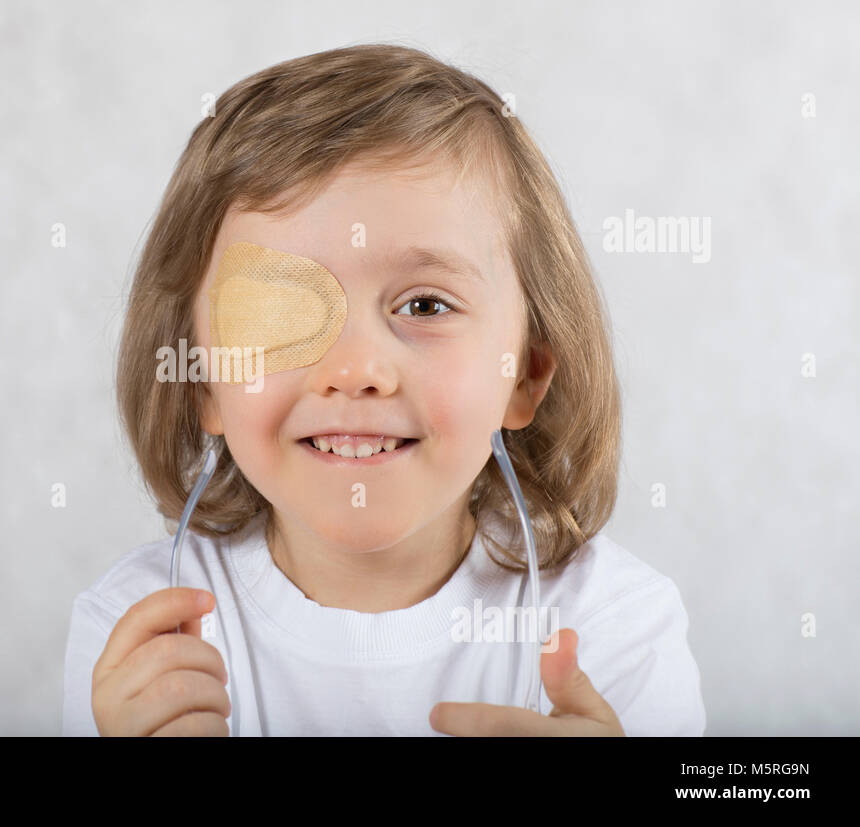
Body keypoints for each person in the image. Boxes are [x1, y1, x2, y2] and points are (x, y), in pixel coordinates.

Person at [62, 43, 705, 736]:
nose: (355, 368)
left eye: (425, 306)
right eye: (281, 310)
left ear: (526, 375)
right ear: (203, 382)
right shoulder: (142, 646)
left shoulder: (613, 628)